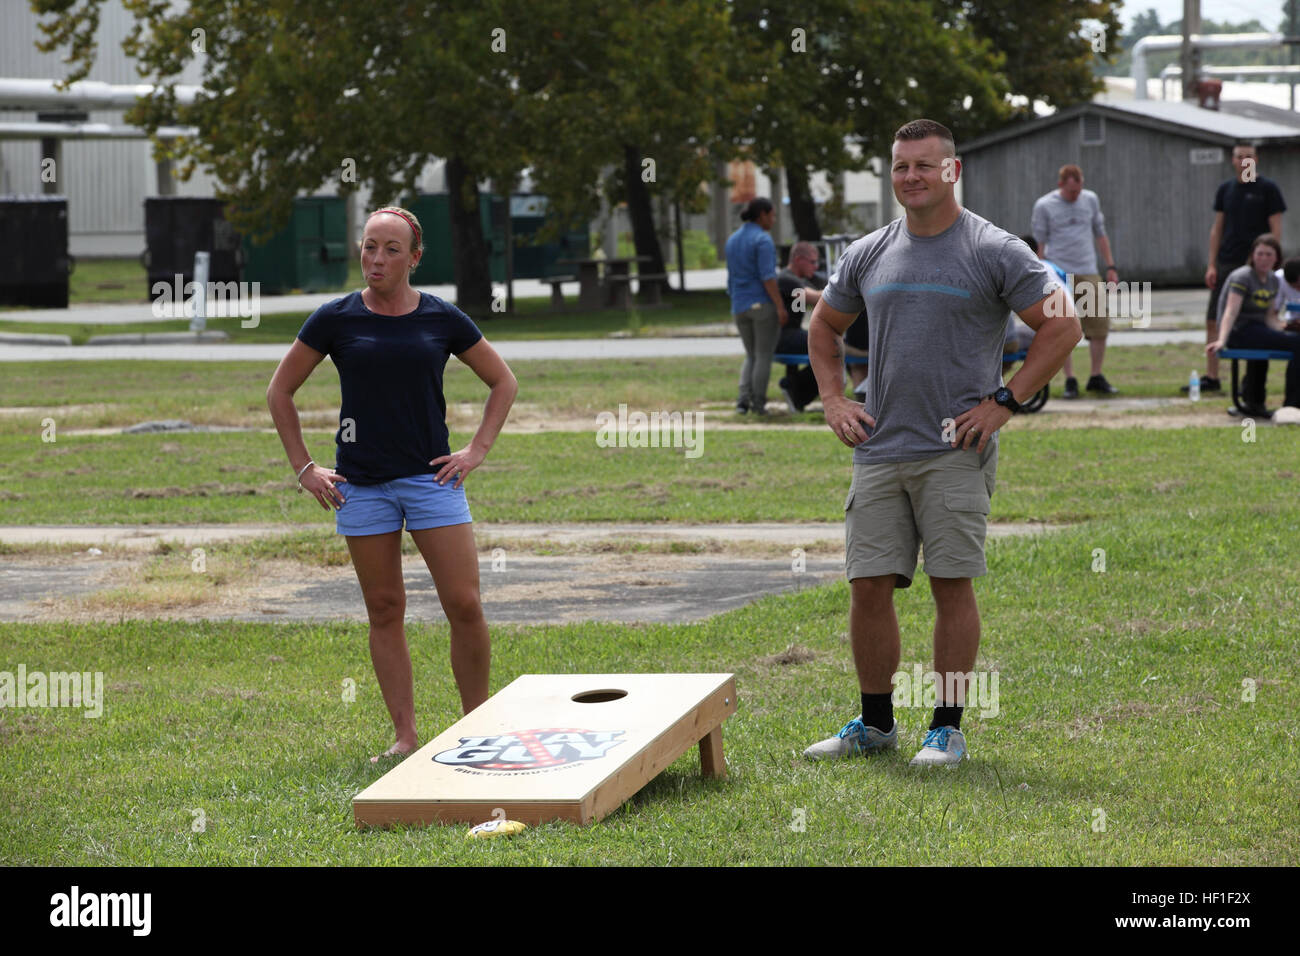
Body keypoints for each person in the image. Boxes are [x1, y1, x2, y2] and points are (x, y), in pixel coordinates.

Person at [803, 119, 1080, 766]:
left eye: (924, 165)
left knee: (950, 584)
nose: (910, 177)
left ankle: (946, 728)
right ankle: (875, 725)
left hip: (955, 447)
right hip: (878, 447)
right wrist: (836, 398)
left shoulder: (993, 248)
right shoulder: (869, 251)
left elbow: (1061, 325)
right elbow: (824, 327)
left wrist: (1005, 402)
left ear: (952, 171)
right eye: (901, 166)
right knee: (868, 585)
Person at [267, 205, 518, 762]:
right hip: (361, 487)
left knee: (466, 604)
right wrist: (304, 467)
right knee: (384, 609)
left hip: (432, 481)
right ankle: (405, 738)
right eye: (369, 246)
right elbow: (279, 391)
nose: (376, 259)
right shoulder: (333, 319)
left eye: (391, 249)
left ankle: (475, 726)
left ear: (415, 258)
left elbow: (503, 381)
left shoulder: (441, 318)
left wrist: (476, 451)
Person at [1199, 143, 1286, 396]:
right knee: (1214, 318)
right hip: (1228, 262)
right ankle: (1212, 375)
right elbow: (1217, 228)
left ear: (1256, 160)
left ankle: (1252, 381)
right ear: (1233, 160)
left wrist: (1272, 261)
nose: (1244, 161)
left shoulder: (1267, 189)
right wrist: (1212, 263)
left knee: (1257, 318)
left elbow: (1275, 230)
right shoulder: (1226, 189)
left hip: (1256, 265)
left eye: (1249, 157)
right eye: (1240, 157)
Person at [1030, 164, 1119, 398]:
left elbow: (1100, 233)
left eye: (1078, 190)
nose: (1075, 195)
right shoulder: (1044, 205)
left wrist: (1110, 266)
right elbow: (1039, 242)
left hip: (1087, 268)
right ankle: (1070, 379)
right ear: (1061, 185)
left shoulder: (1090, 200)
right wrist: (1040, 274)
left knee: (1099, 324)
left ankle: (1096, 376)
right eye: (1071, 192)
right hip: (1059, 272)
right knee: (1062, 327)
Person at [1211, 234, 1300, 415]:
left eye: (1269, 254)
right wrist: (1221, 340)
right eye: (1260, 254)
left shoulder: (1273, 280)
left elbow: (1269, 317)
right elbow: (1231, 311)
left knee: (1295, 339)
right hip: (1238, 331)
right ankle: (1292, 405)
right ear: (1252, 255)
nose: (1264, 259)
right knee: (1297, 344)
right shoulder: (1242, 276)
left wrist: (1285, 329)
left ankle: (1255, 402)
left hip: (1258, 330)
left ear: (1277, 258)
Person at [725, 197, 788, 414]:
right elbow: (768, 277)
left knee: (751, 355)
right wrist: (780, 306)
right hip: (761, 305)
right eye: (772, 215)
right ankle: (758, 404)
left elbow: (730, 276)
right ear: (762, 215)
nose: (774, 219)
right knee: (763, 356)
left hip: (739, 305)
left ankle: (742, 401)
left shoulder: (732, 239)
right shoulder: (762, 240)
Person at [775, 240, 825, 411]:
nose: (816, 266)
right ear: (798, 259)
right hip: (783, 336)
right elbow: (817, 298)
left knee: (831, 346)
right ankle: (792, 388)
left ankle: (795, 392)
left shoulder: (798, 279)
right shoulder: (786, 279)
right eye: (812, 262)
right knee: (831, 348)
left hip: (791, 333)